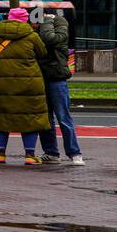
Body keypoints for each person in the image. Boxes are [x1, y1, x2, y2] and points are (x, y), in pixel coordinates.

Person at [0, 7, 51, 165]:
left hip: (2, 83)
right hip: (29, 83)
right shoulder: (32, 36)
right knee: (30, 118)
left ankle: (0, 154)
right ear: (25, 20)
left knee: (1, 117)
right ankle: (30, 155)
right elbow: (43, 53)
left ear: (8, 18)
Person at [37, 11, 85, 165]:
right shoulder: (53, 29)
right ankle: (52, 152)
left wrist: (46, 22)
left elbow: (49, 39)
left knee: (62, 117)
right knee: (48, 118)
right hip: (48, 77)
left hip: (55, 77)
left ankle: (73, 152)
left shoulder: (57, 30)